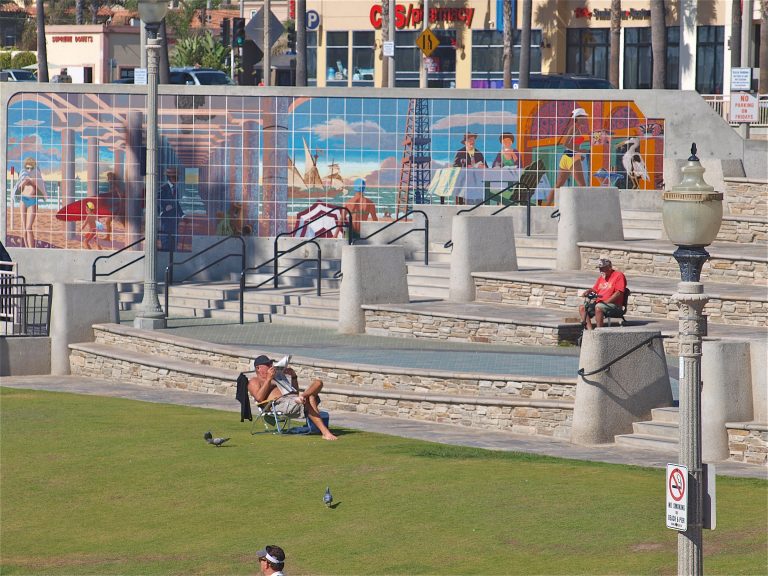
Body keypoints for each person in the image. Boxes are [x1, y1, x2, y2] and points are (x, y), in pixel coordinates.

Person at [247, 355, 338, 441]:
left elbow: (294, 393)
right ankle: (325, 432)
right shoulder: (254, 381)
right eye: (268, 364)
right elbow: (259, 398)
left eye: (271, 363)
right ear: (258, 368)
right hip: (279, 404)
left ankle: (303, 397)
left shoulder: (277, 376)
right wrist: (268, 379)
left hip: (293, 399)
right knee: (309, 399)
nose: (271, 366)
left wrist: (294, 376)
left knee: (318, 382)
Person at [546, 107, 591, 206]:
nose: (585, 119)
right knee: (582, 185)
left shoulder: (576, 129)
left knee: (558, 185)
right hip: (572, 157)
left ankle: (546, 206)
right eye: (583, 117)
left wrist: (580, 153)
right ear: (577, 118)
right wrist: (581, 151)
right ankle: (582, 206)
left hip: (566, 157)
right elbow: (566, 144)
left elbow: (573, 145)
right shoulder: (574, 128)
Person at [579, 258, 627, 330]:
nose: (601, 270)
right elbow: (595, 289)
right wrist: (589, 291)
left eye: (603, 268)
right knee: (582, 308)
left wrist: (606, 302)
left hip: (614, 305)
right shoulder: (601, 277)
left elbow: (618, 293)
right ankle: (590, 331)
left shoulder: (619, 275)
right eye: (600, 268)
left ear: (609, 267)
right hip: (600, 302)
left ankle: (599, 331)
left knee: (599, 307)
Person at [12, 157, 48, 248]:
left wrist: (32, 181)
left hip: (33, 201)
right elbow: (19, 188)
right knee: (24, 228)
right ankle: (27, 247)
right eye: (27, 168)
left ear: (34, 167)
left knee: (29, 227)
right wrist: (25, 181)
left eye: (31, 168)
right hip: (23, 200)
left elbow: (41, 187)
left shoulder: (37, 176)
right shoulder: (24, 175)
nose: (29, 170)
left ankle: (31, 248)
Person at [159, 166, 184, 251]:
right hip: (166, 219)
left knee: (173, 241)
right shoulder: (163, 188)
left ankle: (171, 255)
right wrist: (164, 208)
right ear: (171, 177)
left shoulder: (175, 189)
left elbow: (176, 203)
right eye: (176, 176)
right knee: (166, 239)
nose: (178, 178)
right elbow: (157, 201)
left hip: (174, 219)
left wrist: (182, 215)